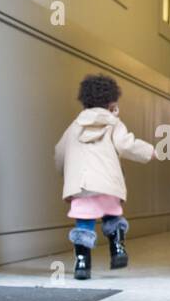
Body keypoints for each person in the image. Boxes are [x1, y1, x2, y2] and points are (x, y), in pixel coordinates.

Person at [54, 75, 155, 280]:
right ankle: (117, 248)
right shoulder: (114, 124)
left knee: (84, 223)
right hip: (107, 184)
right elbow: (126, 145)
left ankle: (82, 264)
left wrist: (65, 174)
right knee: (112, 216)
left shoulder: (74, 126)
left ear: (85, 100)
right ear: (111, 102)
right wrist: (149, 151)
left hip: (82, 185)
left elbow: (59, 152)